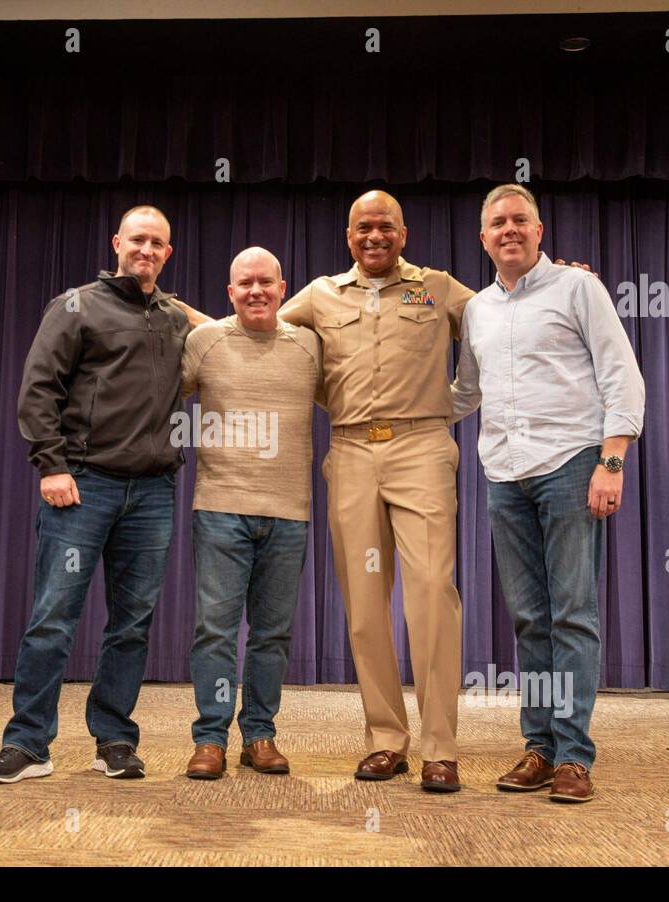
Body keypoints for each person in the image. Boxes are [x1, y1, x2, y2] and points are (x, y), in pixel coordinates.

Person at [180, 191, 478, 792]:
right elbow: (252, 320)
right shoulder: (319, 295)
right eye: (363, 227)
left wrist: (560, 284)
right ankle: (386, 741)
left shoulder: (439, 288)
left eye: (385, 226)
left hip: (421, 446)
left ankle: (440, 748)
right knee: (365, 605)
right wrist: (170, 312)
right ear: (348, 236)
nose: (374, 236)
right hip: (350, 452)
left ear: (403, 232)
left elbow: (505, 315)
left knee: (430, 594)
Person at [0, 205, 189, 784]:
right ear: (117, 242)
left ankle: (114, 739)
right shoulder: (75, 306)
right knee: (52, 617)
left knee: (132, 624)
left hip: (153, 494)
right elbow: (39, 386)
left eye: (158, 243)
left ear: (168, 253)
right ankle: (28, 745)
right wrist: (52, 465)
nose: (146, 249)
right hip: (81, 486)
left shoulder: (176, 320)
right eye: (137, 239)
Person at [452, 184, 645, 803]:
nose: (509, 230)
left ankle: (573, 756)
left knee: (572, 614)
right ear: (483, 238)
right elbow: (465, 392)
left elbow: (622, 373)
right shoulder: (477, 309)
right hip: (503, 475)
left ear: (539, 230)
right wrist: (398, 412)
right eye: (497, 223)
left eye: (520, 220)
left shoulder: (578, 288)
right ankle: (537, 748)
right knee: (530, 619)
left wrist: (611, 461)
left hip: (570, 465)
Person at [177, 248, 323, 780]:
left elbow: (358, 397)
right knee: (214, 630)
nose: (256, 290)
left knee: (272, 634)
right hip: (220, 510)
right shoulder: (204, 341)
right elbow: (155, 391)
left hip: (289, 514)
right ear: (230, 292)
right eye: (245, 283)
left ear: (284, 288)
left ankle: (259, 734)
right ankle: (211, 738)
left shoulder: (308, 345)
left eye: (266, 281)